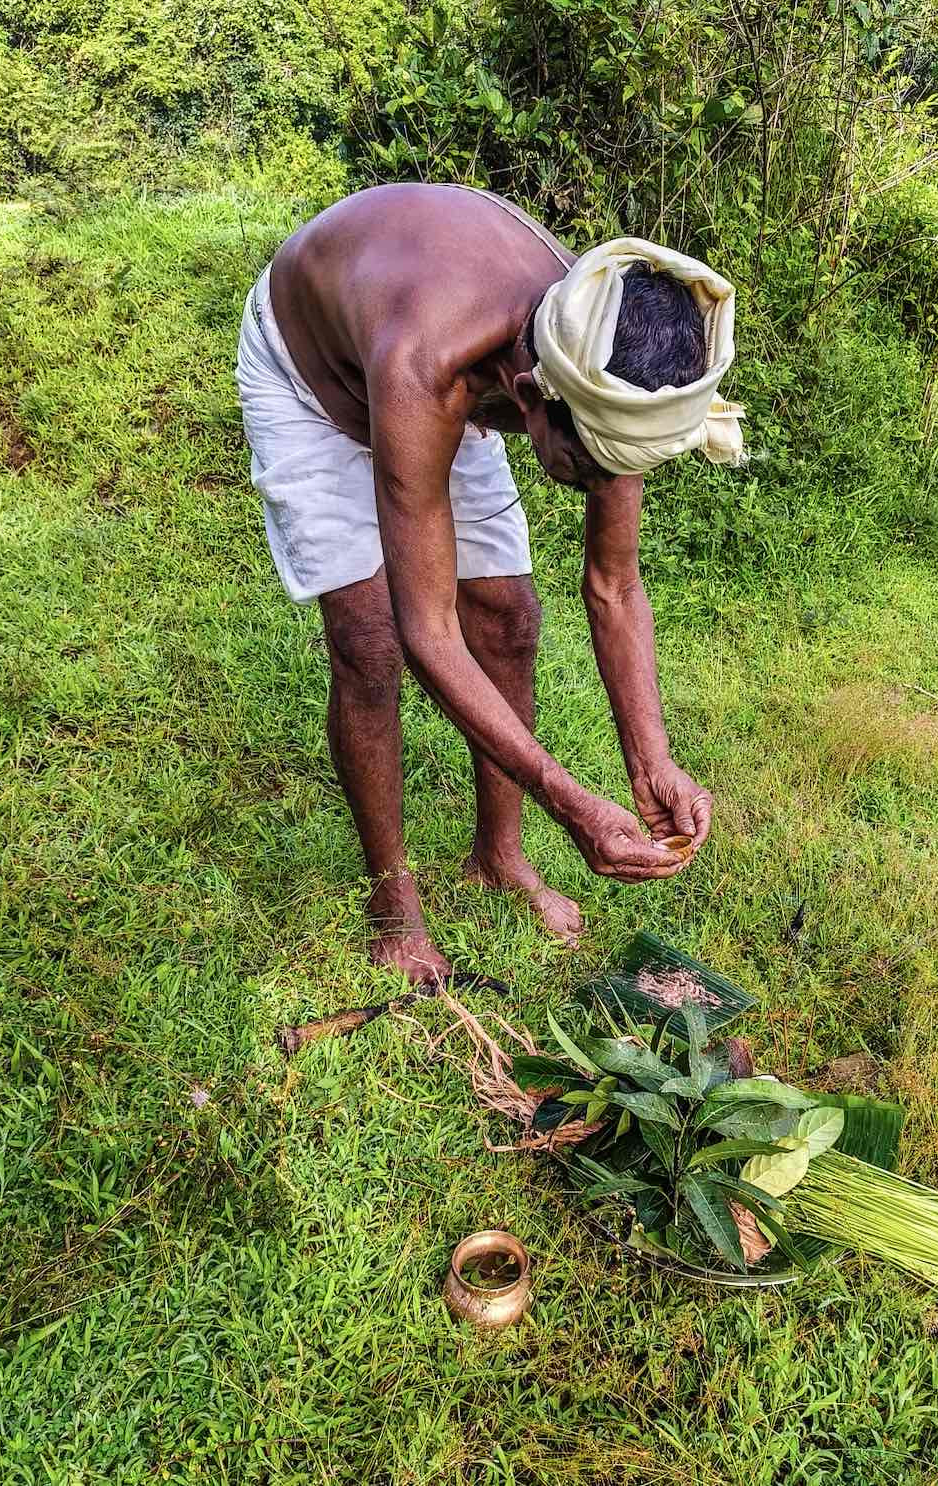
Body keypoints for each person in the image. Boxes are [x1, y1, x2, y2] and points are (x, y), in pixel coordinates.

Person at [235, 183, 745, 985]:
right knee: (370, 640)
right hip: (315, 380)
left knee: (509, 617)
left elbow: (614, 584)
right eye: (584, 469)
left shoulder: (609, 364)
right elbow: (428, 631)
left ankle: (499, 859)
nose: (600, 489)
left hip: (449, 363)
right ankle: (392, 903)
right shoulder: (429, 363)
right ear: (530, 399)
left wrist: (653, 760)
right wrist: (568, 801)